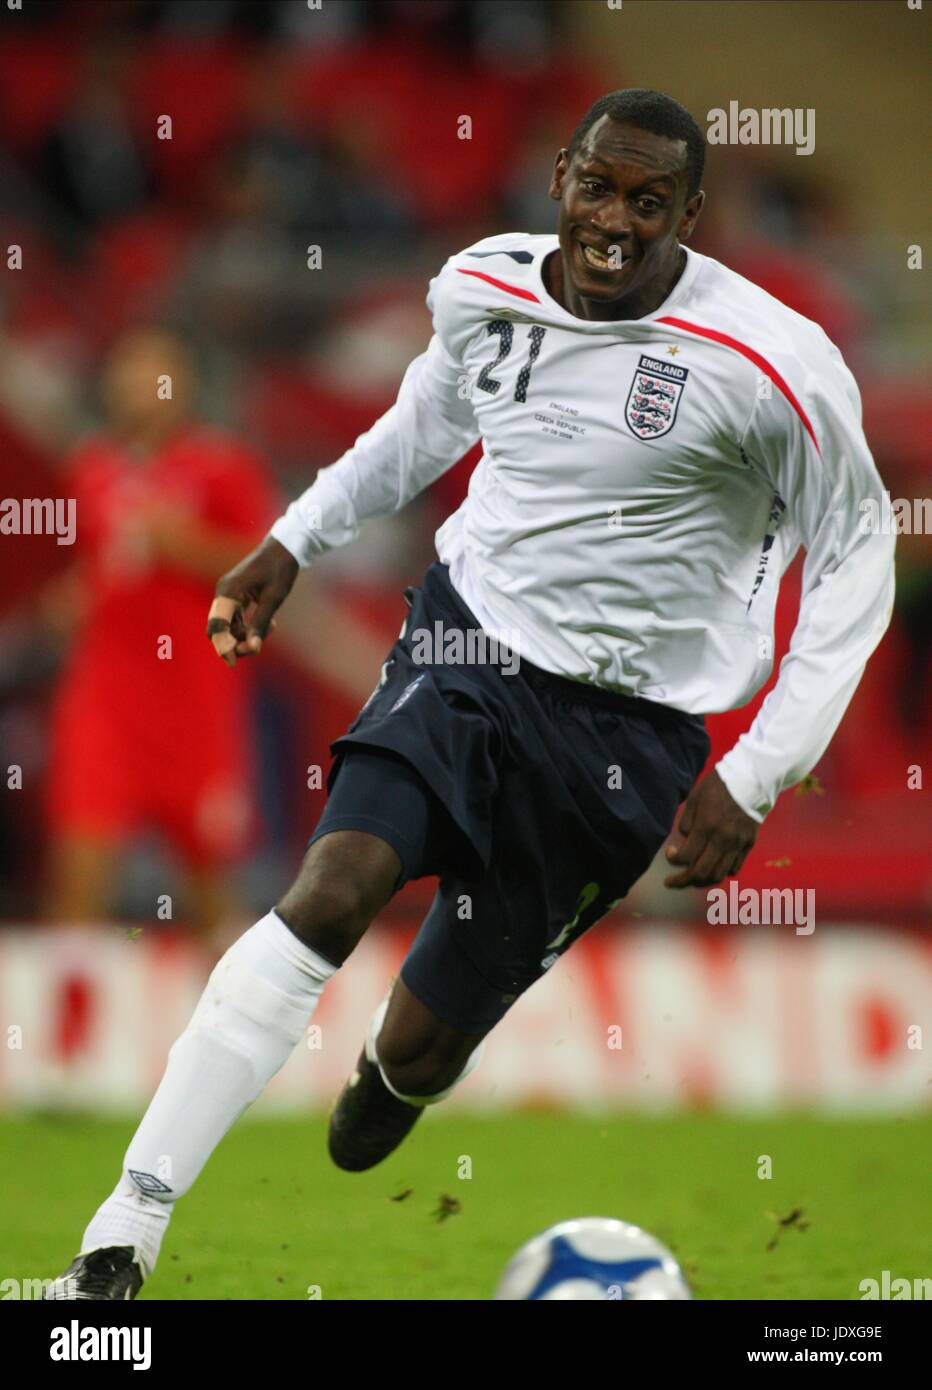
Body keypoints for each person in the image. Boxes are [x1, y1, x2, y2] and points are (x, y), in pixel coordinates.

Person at [47, 89, 894, 1300]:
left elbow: (856, 563)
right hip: (466, 652)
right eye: (596, 188)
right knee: (332, 889)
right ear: (560, 175)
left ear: (690, 216)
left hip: (629, 733)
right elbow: (420, 426)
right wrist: (294, 538)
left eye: (647, 203)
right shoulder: (481, 287)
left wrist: (754, 771)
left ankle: (397, 1080)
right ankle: (120, 1233)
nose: (613, 222)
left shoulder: (774, 368)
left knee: (417, 1048)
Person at [43, 327, 279, 940]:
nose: (136, 383)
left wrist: (182, 546)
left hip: (195, 700)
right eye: (126, 369)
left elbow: (264, 564)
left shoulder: (222, 466)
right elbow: (92, 567)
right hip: (108, 696)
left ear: (183, 384)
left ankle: (228, 1023)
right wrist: (74, 599)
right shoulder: (90, 469)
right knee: (79, 866)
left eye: (153, 369)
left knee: (208, 881)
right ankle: (67, 1029)